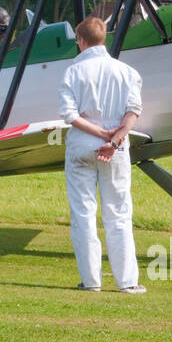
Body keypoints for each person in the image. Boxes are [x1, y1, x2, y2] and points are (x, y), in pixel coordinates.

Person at [56, 16, 145, 293]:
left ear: (81, 41)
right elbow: (133, 112)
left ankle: (91, 281)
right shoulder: (127, 72)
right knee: (118, 213)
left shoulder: (72, 72)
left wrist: (98, 132)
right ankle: (127, 282)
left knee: (83, 213)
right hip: (115, 150)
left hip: (82, 145)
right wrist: (114, 139)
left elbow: (69, 115)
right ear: (103, 38)